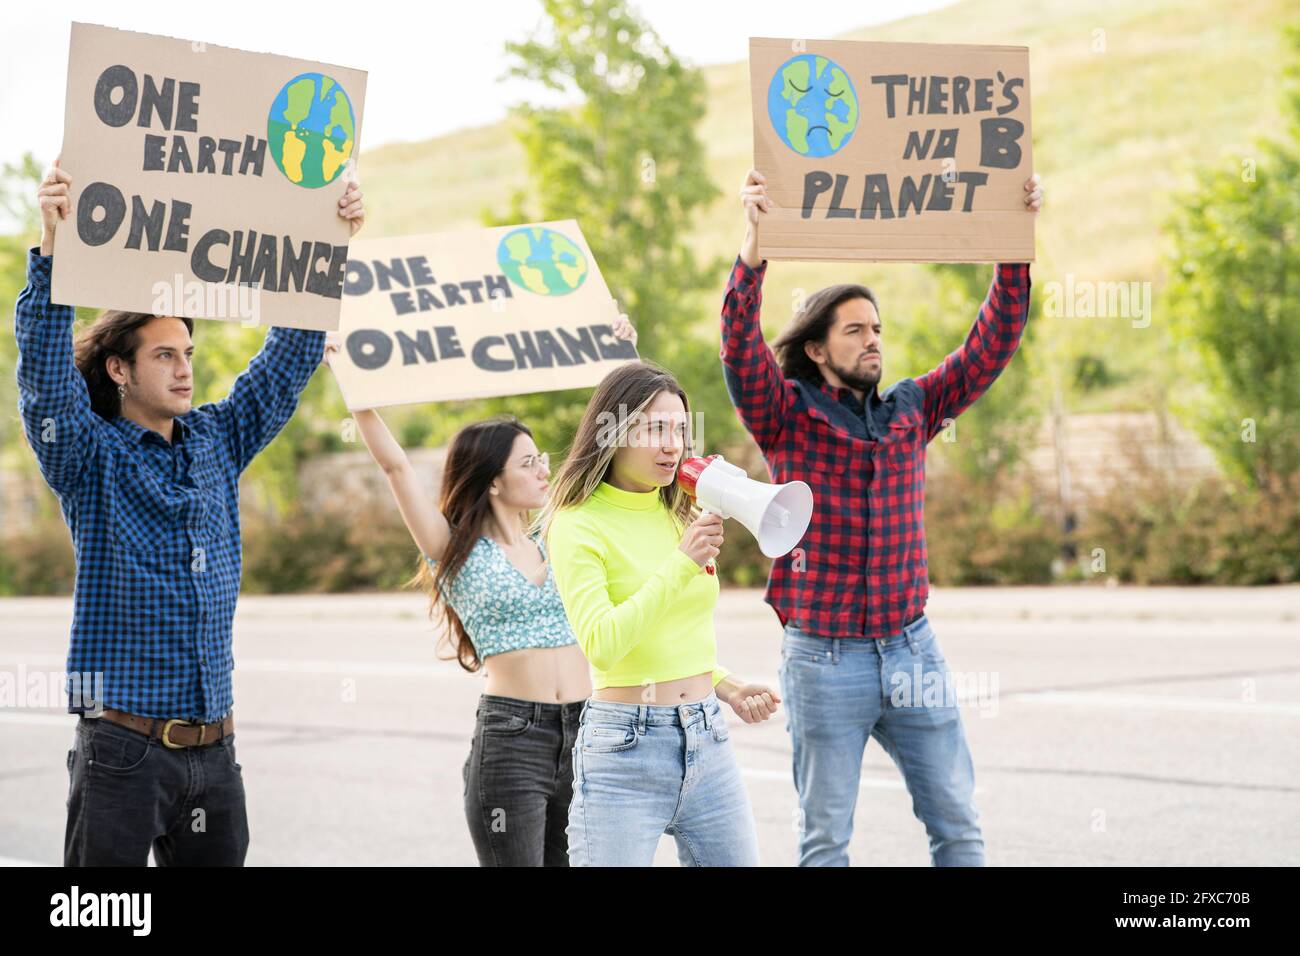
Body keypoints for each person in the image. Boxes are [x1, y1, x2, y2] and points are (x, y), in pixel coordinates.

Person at [17, 157, 365, 866]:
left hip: (216, 757)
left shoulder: (216, 438)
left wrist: (324, 242)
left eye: (190, 354)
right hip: (121, 753)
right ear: (120, 369)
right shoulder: (89, 457)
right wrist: (52, 249)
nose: (185, 369)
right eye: (165, 355)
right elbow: (47, 382)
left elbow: (286, 359)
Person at [721, 168, 1044, 866]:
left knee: (958, 824)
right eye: (856, 330)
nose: (874, 340)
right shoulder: (787, 417)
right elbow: (739, 351)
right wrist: (752, 247)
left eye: (878, 329)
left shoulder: (912, 410)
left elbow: (992, 343)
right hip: (823, 658)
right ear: (816, 347)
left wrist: (1016, 245)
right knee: (826, 841)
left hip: (913, 648)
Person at [320, 316, 637, 866]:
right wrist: (355, 388)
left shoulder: (558, 531)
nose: (545, 470)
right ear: (493, 479)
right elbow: (396, 467)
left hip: (587, 729)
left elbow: (609, 449)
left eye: (543, 459)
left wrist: (624, 358)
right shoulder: (453, 550)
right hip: (513, 739)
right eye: (528, 462)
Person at [541, 360, 779, 866]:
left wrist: (727, 685)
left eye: (679, 430)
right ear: (613, 432)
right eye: (654, 429)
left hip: (707, 739)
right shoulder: (577, 524)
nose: (672, 445)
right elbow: (603, 643)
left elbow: (672, 632)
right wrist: (682, 562)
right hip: (624, 750)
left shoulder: (679, 513)